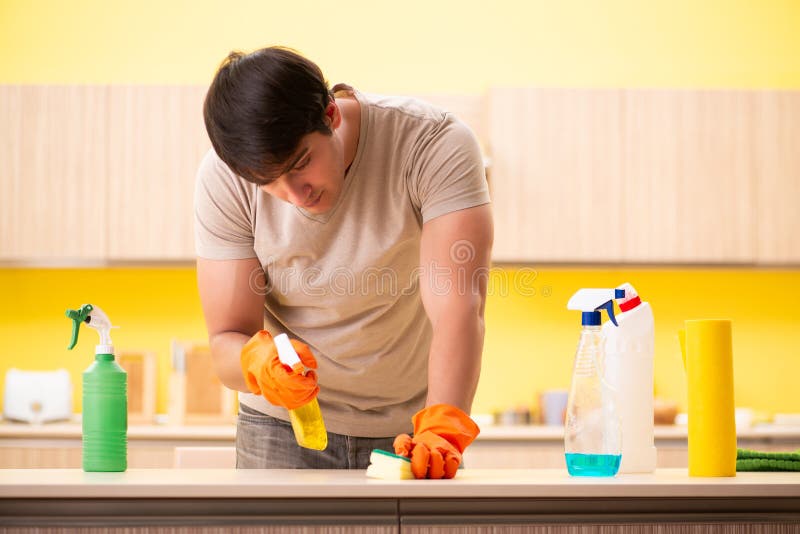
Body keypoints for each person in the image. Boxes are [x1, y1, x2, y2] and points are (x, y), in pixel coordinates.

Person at [194, 46, 493, 479]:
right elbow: (227, 338)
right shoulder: (224, 179)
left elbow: (458, 309)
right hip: (283, 428)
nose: (295, 196)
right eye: (269, 183)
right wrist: (255, 363)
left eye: (301, 164)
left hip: (411, 429)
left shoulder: (432, 144)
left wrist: (442, 428)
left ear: (331, 114)